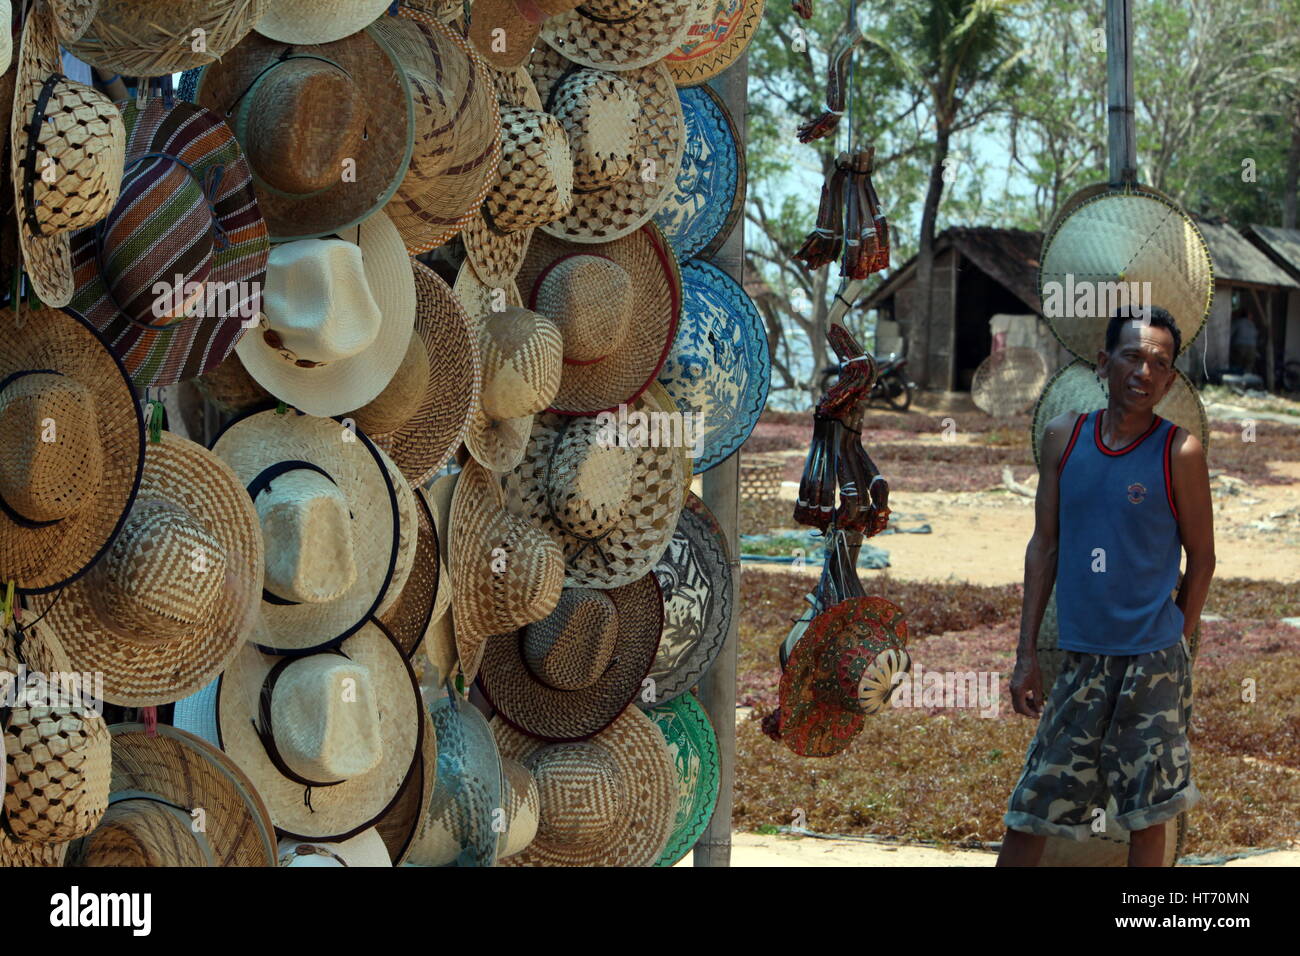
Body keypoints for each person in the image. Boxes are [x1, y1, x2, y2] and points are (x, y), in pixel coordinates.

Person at [997, 307, 1215, 867]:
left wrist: (1174, 644)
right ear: (1104, 362)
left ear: (1170, 380)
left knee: (1149, 813)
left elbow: (1204, 559)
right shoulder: (1064, 439)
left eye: (1159, 363)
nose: (1144, 371)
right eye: (1133, 356)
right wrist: (1025, 656)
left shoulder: (1179, 453)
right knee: (1033, 806)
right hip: (1081, 663)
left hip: (1152, 664)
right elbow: (1043, 546)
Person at [1229, 311, 1258, 376]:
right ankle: (1247, 381)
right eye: (1251, 315)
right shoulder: (1252, 324)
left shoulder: (1238, 322)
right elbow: (1256, 335)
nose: (1252, 317)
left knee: (1237, 364)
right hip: (1252, 347)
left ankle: (1236, 380)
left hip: (1240, 346)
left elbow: (1230, 332)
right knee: (1249, 366)